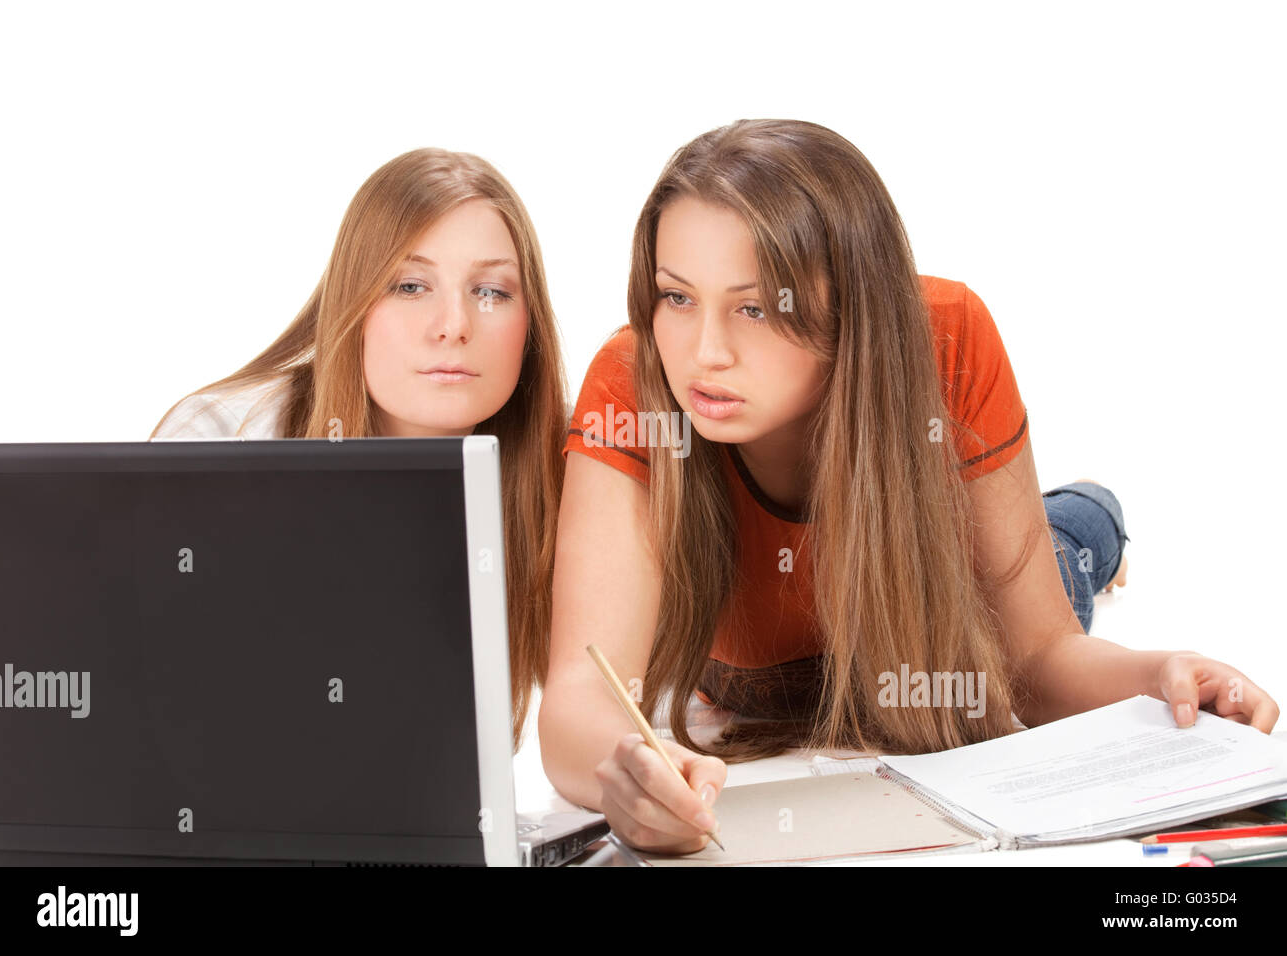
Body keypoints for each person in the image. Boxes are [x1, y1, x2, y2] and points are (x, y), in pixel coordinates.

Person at [539, 119, 1279, 854]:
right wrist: (624, 777)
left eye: (756, 307)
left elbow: (1040, 657)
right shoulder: (631, 389)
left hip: (959, 608)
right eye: (677, 297)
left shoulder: (949, 337)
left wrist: (1162, 674)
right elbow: (580, 693)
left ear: (851, 305)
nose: (705, 352)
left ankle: (1092, 516)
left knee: (1067, 547)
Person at [151, 148, 569, 749]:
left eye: (491, 292)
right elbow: (158, 703)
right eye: (410, 285)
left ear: (530, 325)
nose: (453, 324)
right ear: (355, 306)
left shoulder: (581, 477)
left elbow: (656, 702)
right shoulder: (223, 435)